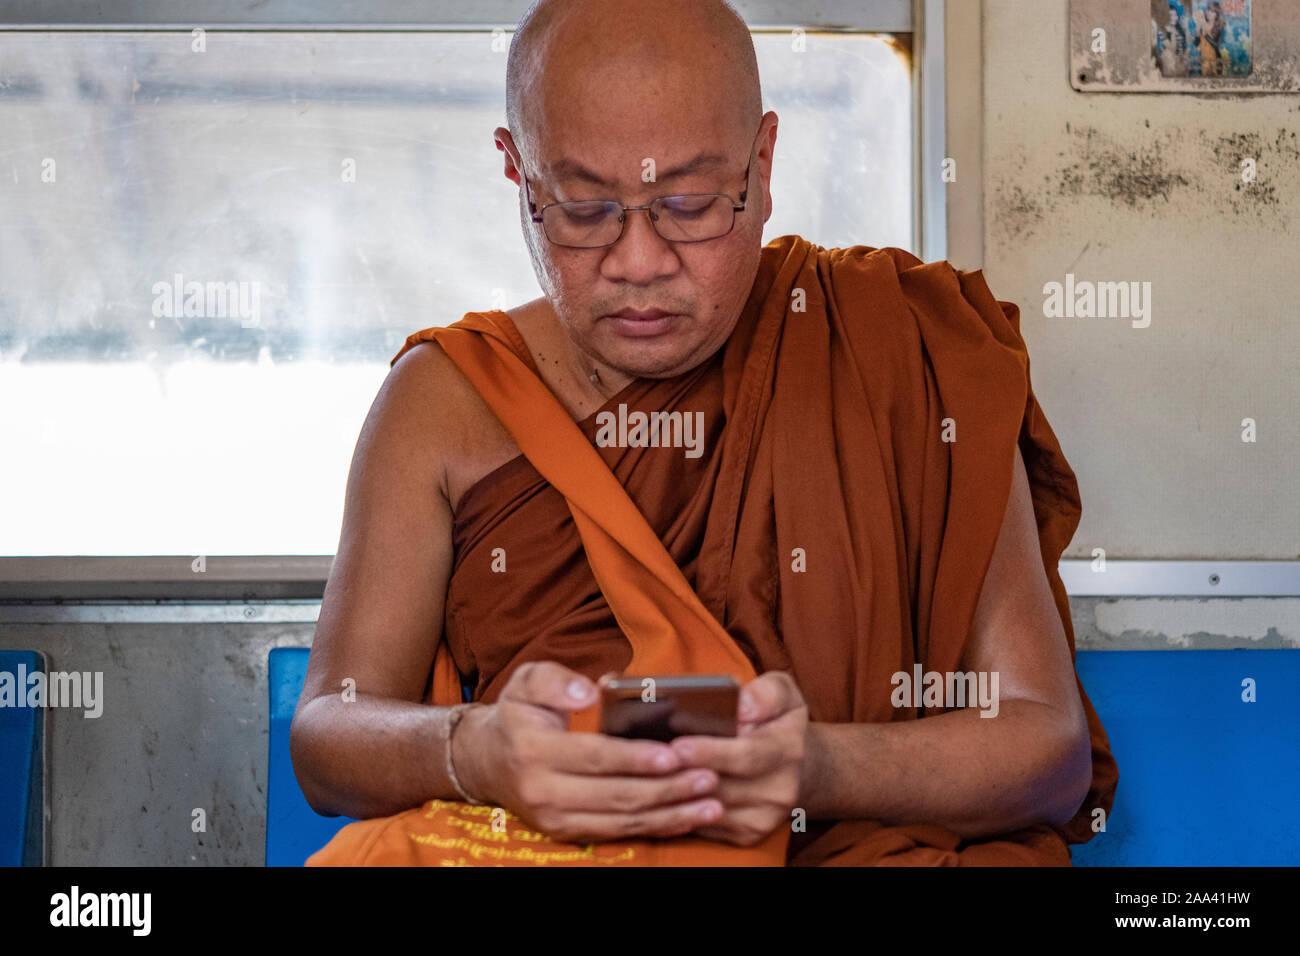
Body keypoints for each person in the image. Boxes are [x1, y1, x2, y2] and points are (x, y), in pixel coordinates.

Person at [291, 0, 1117, 866]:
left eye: (687, 203)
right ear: (518, 173)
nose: (639, 262)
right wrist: (477, 752)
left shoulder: (900, 352)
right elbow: (328, 736)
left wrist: (814, 766)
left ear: (762, 167)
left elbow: (1045, 749)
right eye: (583, 206)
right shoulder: (449, 399)